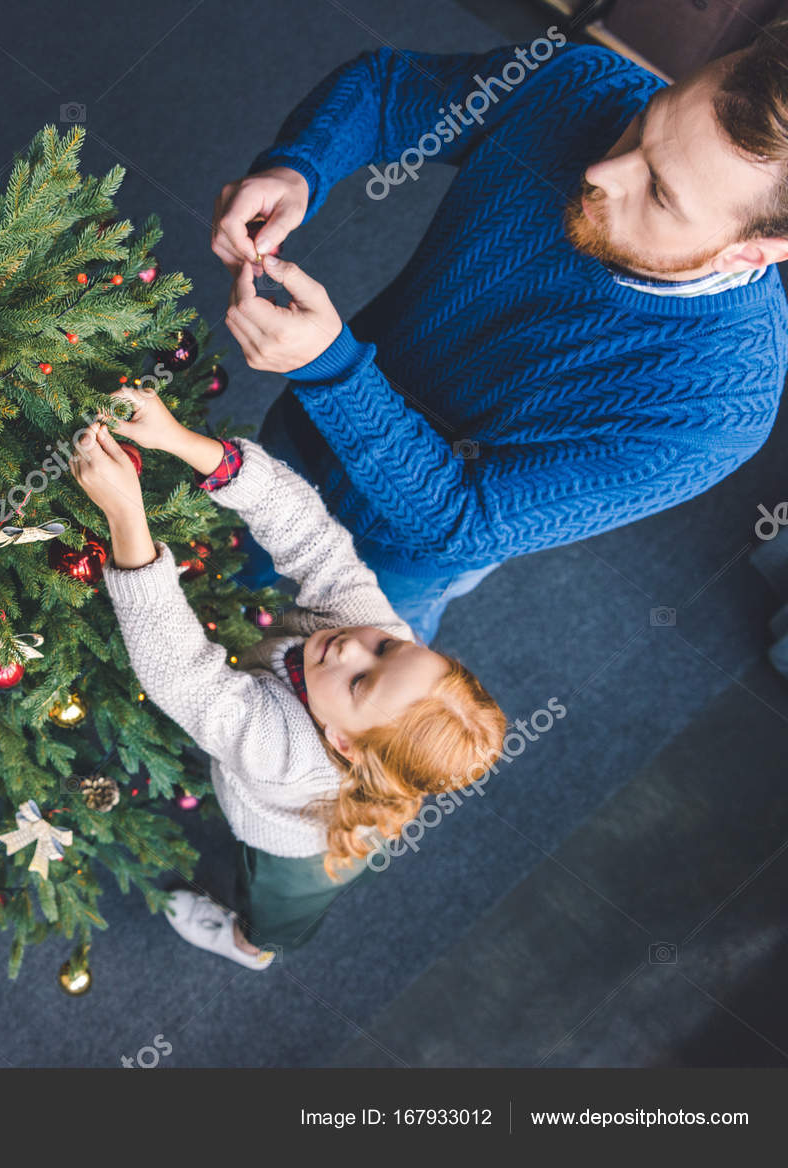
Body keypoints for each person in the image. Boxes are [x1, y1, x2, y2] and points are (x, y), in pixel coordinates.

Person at [211, 24, 788, 642]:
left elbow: (461, 520)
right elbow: (387, 92)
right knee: (204, 573)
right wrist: (299, 168)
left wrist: (334, 369)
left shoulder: (720, 409)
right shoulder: (589, 85)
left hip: (389, 561)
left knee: (302, 703)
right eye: (647, 121)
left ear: (750, 254)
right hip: (298, 440)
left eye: (662, 196)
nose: (603, 171)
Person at [69, 391, 506, 966]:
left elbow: (180, 672)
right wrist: (180, 440)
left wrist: (126, 515)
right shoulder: (372, 635)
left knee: (277, 915)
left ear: (343, 742)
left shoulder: (288, 753)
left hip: (295, 850)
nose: (355, 644)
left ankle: (250, 948)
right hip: (367, 785)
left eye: (359, 682)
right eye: (389, 646)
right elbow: (312, 537)